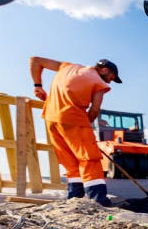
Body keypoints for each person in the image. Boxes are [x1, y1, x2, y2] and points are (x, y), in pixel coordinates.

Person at [29, 57, 121, 206]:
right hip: (74, 119)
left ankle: (75, 198)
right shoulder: (99, 82)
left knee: (70, 161)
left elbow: (35, 60)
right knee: (89, 159)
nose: (110, 82)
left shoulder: (67, 67)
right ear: (104, 70)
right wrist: (86, 126)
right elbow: (95, 109)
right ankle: (98, 200)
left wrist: (37, 85)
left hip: (51, 118)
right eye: (111, 78)